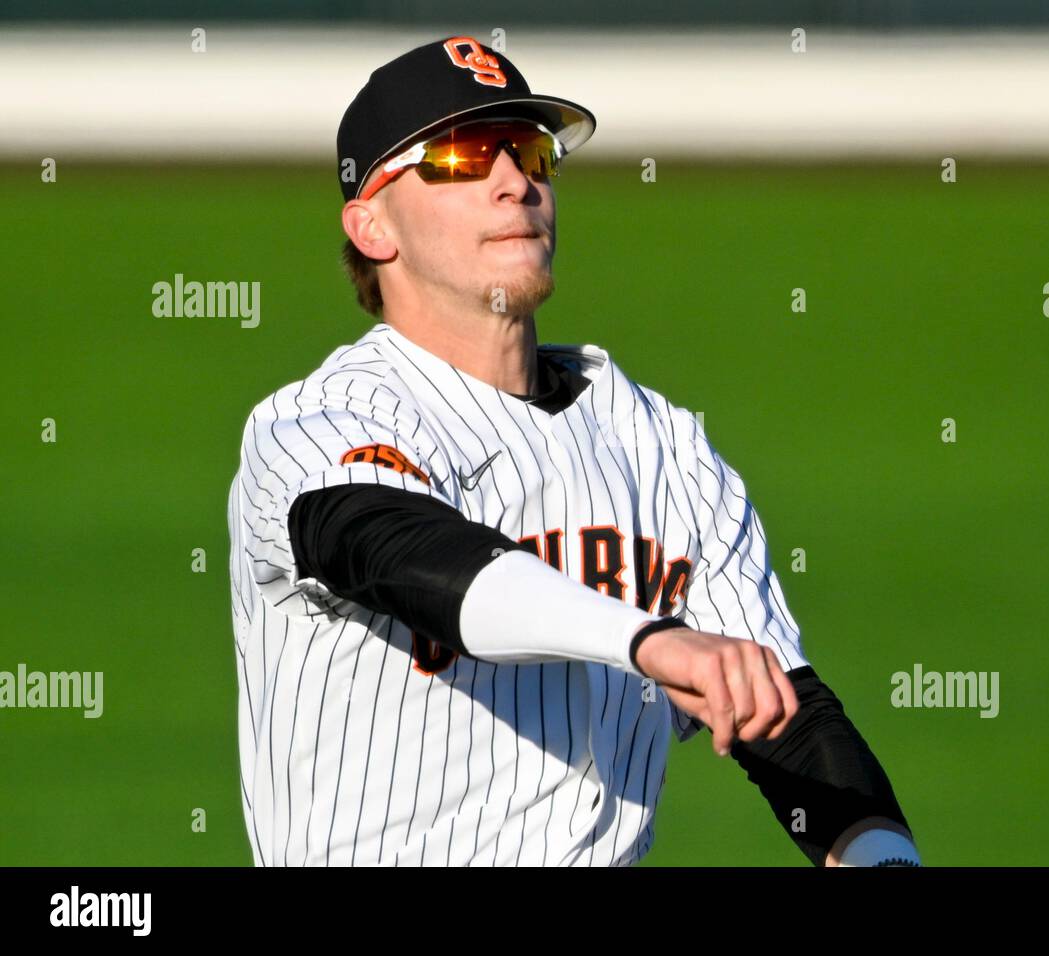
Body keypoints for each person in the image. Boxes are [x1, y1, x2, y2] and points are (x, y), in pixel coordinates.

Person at [228, 35, 919, 867]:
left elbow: (786, 717)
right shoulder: (320, 423)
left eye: (529, 152)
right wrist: (651, 642)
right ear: (372, 225)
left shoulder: (661, 443)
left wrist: (884, 858)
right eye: (460, 156)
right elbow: (402, 553)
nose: (515, 182)